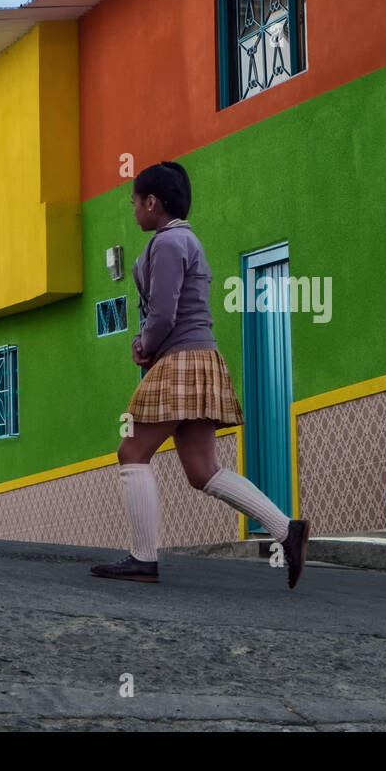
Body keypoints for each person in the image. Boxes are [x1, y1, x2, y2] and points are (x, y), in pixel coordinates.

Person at [90, 161, 310, 587]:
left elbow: (164, 310)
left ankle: (143, 557)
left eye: (135, 202)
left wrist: (144, 345)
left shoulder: (169, 242)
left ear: (152, 203)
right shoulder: (182, 240)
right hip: (200, 358)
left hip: (179, 360)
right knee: (202, 470)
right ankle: (288, 530)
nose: (133, 210)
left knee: (131, 453)